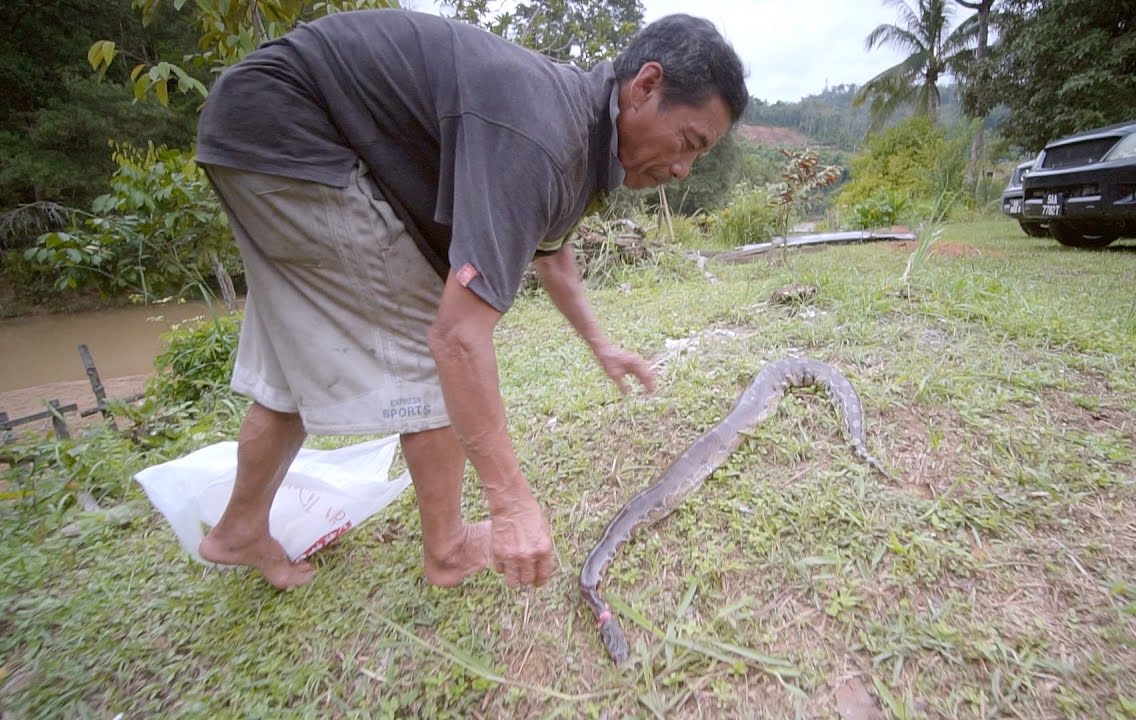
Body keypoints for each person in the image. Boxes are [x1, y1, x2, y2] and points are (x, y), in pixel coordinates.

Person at [193, 8, 748, 590]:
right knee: (429, 333)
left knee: (294, 360)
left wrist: (601, 345)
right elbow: (456, 340)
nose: (684, 168)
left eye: (698, 156)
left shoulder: (583, 132)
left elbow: (549, 250)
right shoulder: (544, 135)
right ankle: (450, 548)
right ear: (646, 86)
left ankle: (239, 529)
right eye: (687, 142)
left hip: (254, 129)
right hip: (292, 130)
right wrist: (511, 504)